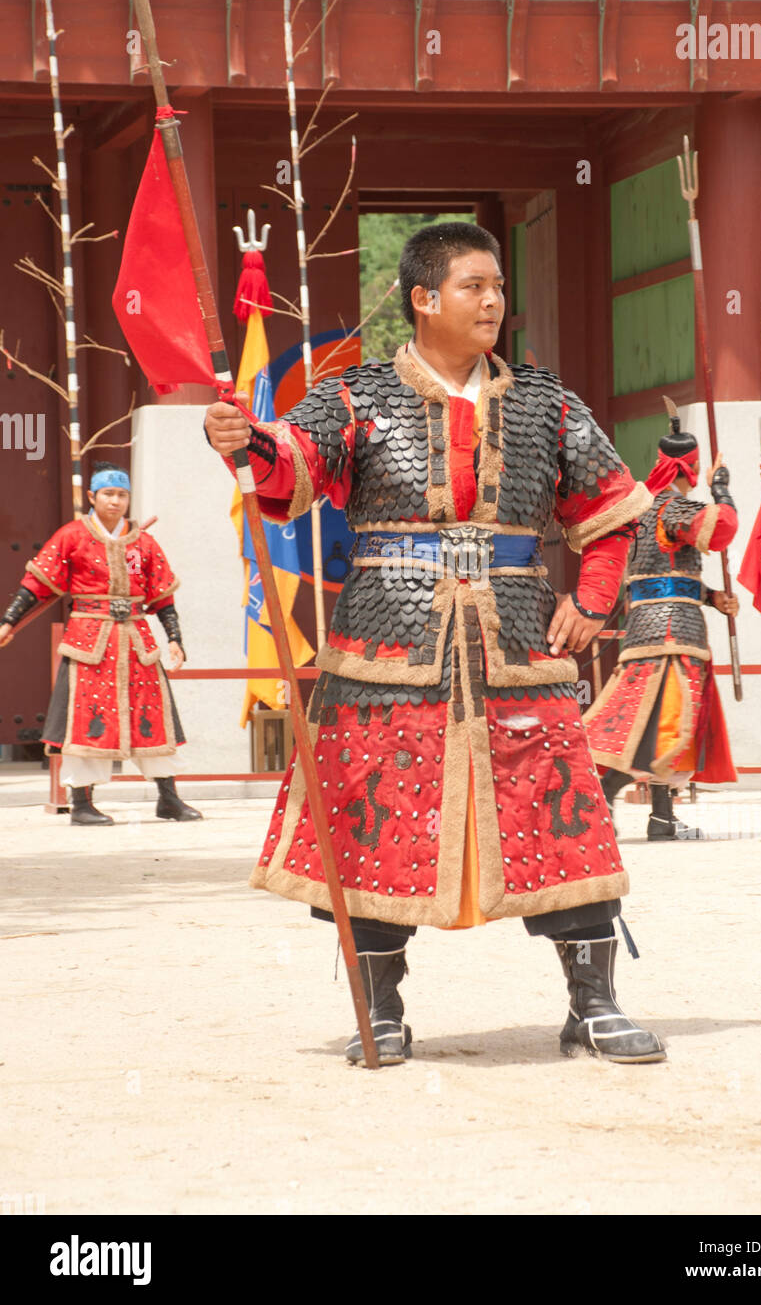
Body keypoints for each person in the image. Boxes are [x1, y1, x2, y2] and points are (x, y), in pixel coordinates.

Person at [205, 221, 665, 1066]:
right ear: (423, 298)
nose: (492, 301)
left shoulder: (547, 404)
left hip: (517, 644)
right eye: (473, 286)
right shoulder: (357, 397)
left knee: (561, 817)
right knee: (375, 828)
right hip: (387, 646)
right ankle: (378, 1010)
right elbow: (294, 465)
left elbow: (616, 515)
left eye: (497, 287)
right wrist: (250, 441)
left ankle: (593, 1006)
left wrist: (595, 603)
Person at [0, 463, 202, 826]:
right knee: (86, 721)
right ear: (92, 497)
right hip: (89, 642)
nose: (116, 501)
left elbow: (163, 598)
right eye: (108, 494)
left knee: (153, 717)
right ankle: (81, 803)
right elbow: (37, 583)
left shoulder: (144, 542)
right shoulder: (72, 536)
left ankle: (168, 798)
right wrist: (8, 621)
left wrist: (175, 640)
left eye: (122, 495)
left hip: (138, 643)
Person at [583, 411, 739, 840]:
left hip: (648, 629)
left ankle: (662, 818)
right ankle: (607, 788)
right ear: (690, 469)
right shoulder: (673, 506)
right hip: (673, 634)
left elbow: (661, 574)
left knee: (651, 718)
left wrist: (710, 597)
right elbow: (721, 529)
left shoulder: (639, 511)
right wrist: (722, 488)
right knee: (664, 724)